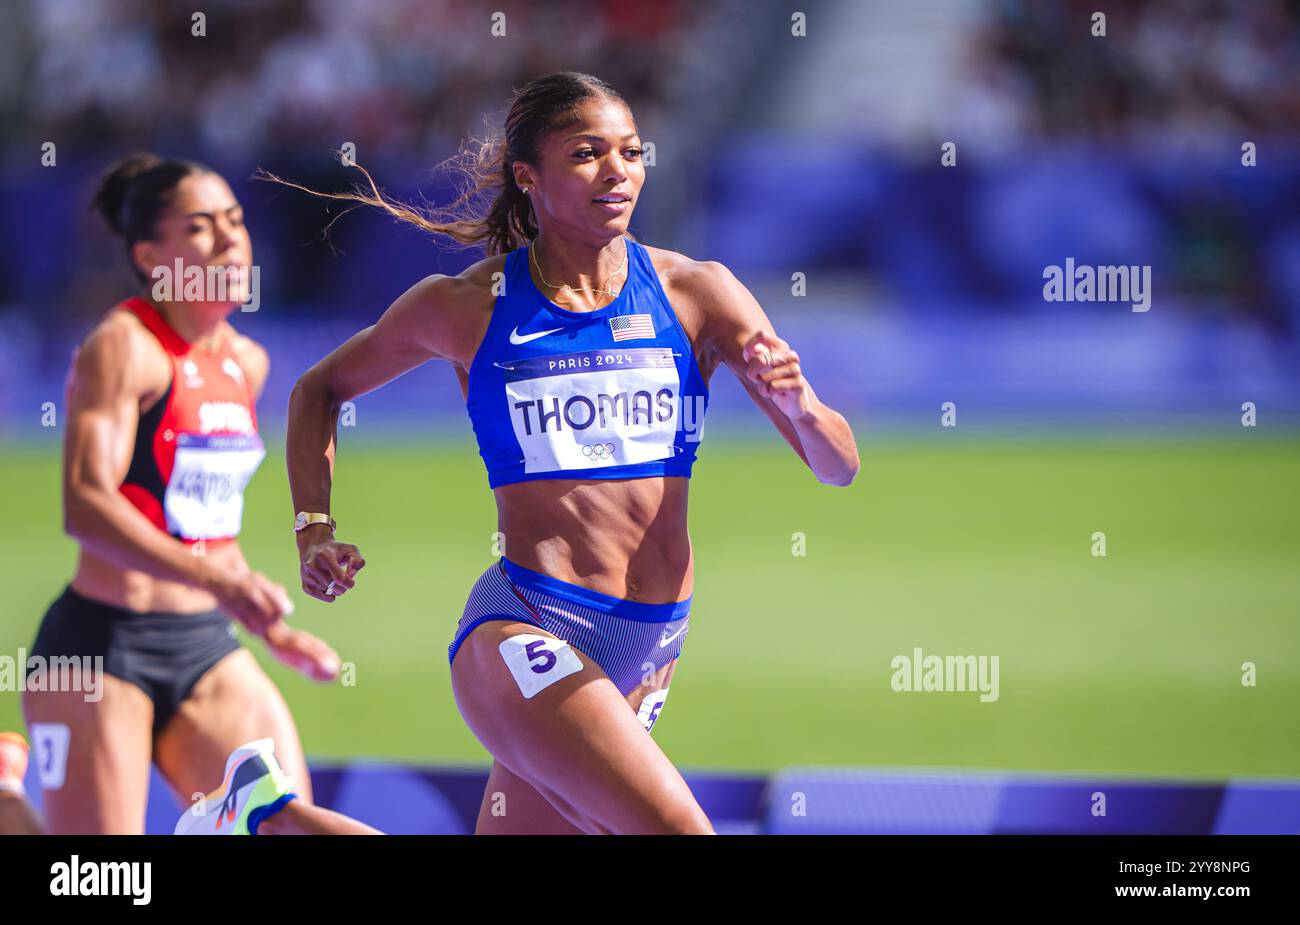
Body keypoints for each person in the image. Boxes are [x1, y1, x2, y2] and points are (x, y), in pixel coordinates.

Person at [279, 72, 859, 834]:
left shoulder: (698, 293)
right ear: (530, 176)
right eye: (587, 154)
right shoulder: (467, 307)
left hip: (652, 640)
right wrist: (313, 526)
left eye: (630, 151)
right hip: (525, 627)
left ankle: (264, 815)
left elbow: (837, 465)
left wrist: (800, 406)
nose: (617, 171)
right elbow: (319, 388)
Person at [22, 153, 341, 835]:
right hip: (98, 646)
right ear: (149, 255)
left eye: (235, 220)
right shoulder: (125, 345)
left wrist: (267, 621)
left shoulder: (246, 363)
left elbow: (207, 529)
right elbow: (85, 503)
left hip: (204, 645)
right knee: (98, 881)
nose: (229, 238)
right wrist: (216, 581)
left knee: (288, 826)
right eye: (199, 227)